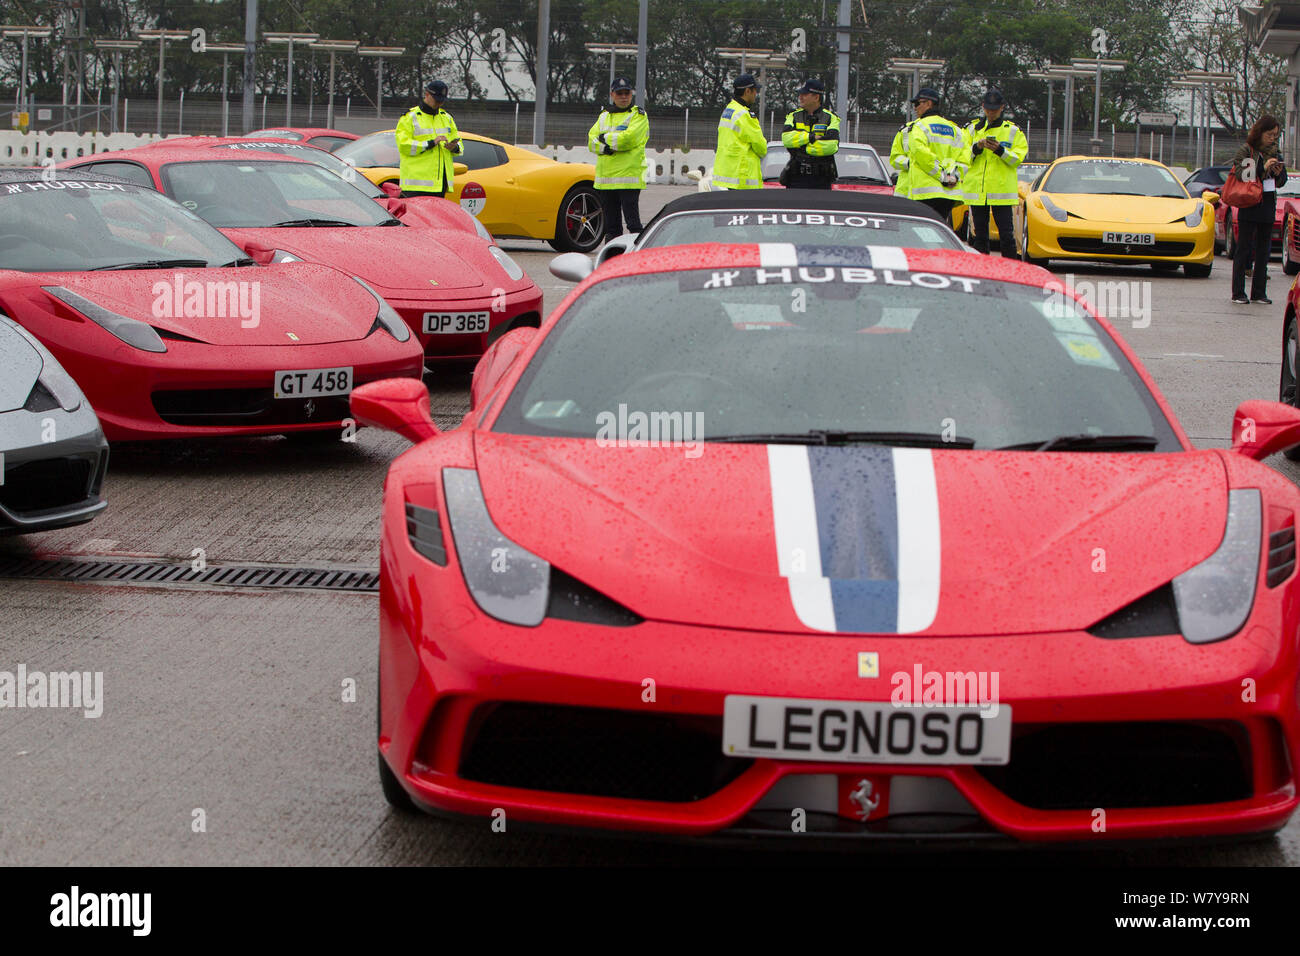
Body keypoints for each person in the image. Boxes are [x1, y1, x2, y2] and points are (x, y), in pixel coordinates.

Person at [961, 88, 1027, 256]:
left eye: (994, 109)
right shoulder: (971, 129)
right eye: (988, 109)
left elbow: (1017, 159)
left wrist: (1000, 150)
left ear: (1002, 107)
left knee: (1006, 236)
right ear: (983, 106)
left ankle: (1010, 273)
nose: (991, 113)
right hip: (977, 192)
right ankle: (981, 273)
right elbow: (961, 155)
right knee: (980, 237)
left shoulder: (1013, 131)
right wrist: (977, 147)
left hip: (1001, 192)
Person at [1230, 114, 1288, 304]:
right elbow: (1244, 175)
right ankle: (1238, 292)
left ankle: (1259, 293)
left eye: (1275, 135)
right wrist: (1263, 167)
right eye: (1270, 135)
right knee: (1244, 249)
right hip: (1249, 203)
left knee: (1264, 251)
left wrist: (1278, 173)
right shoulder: (1247, 150)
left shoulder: (1276, 153)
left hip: (1268, 204)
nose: (1273, 139)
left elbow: (1281, 181)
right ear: (1260, 132)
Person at [588, 76, 650, 242]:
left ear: (632, 94)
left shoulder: (638, 115)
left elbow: (628, 139)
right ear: (612, 95)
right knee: (611, 228)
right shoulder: (604, 116)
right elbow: (591, 142)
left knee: (633, 225)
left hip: (628, 180)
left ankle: (636, 260)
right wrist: (611, 143)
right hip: (606, 180)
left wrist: (604, 141)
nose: (623, 96)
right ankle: (611, 261)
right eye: (619, 93)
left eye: (627, 93)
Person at [904, 87, 970, 227]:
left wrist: (941, 175)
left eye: (917, 104)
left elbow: (921, 154)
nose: (915, 108)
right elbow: (965, 157)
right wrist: (954, 176)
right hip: (948, 193)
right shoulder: (956, 129)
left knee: (921, 232)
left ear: (929, 104)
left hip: (925, 193)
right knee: (940, 231)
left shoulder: (920, 126)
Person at [395, 80, 463, 198]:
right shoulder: (410, 117)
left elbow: (460, 144)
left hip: (439, 185)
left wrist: (455, 147)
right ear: (427, 94)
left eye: (442, 101)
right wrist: (430, 143)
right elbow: (404, 145)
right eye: (437, 100)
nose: (439, 103)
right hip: (415, 186)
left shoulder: (447, 118)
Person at [780, 78, 840, 189]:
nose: (800, 97)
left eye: (805, 94)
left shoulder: (831, 118)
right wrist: (811, 137)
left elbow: (831, 146)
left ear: (816, 97)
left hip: (821, 180)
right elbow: (787, 139)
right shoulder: (793, 116)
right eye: (800, 94)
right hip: (796, 178)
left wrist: (801, 147)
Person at [714, 74, 767, 189]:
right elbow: (762, 148)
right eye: (755, 91)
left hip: (729, 174)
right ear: (747, 91)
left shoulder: (729, 110)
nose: (755, 94)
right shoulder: (745, 115)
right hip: (743, 177)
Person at [889, 116, 916, 198]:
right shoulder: (907, 130)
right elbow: (895, 158)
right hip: (905, 192)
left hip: (932, 193)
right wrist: (910, 163)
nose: (915, 108)